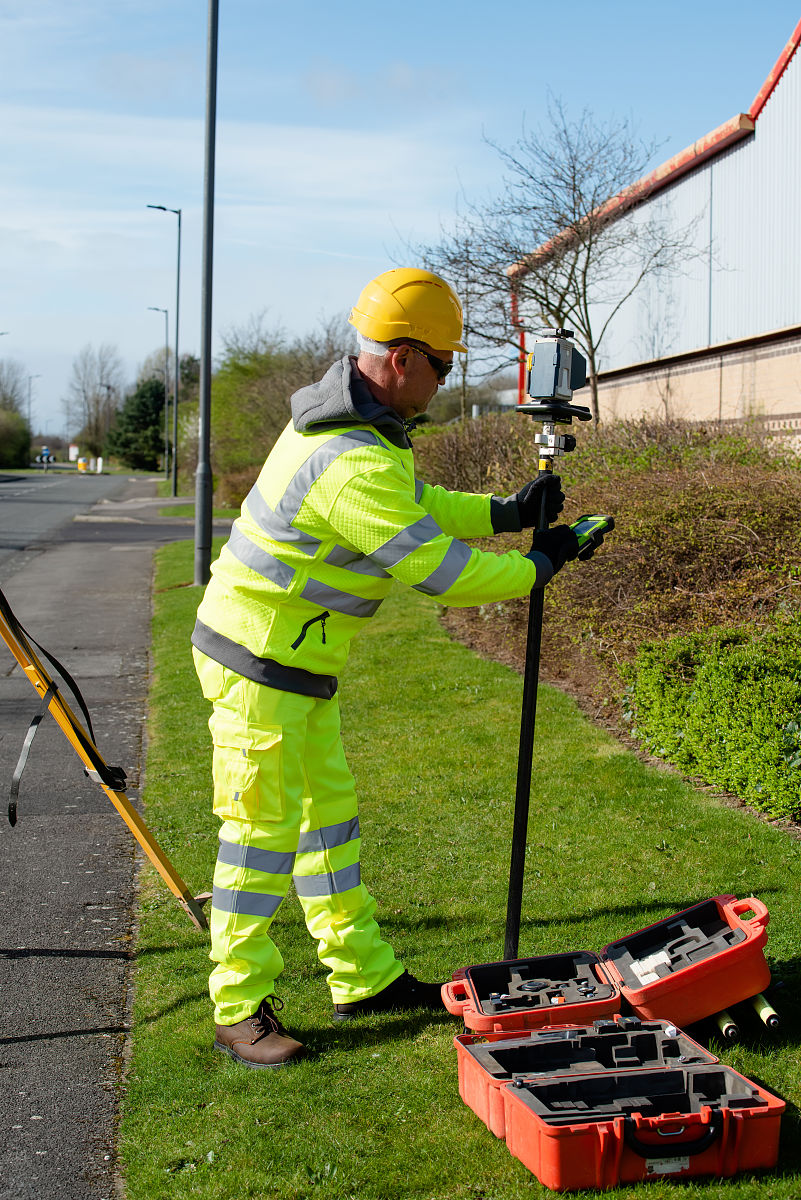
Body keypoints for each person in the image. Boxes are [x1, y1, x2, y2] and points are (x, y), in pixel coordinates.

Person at [191, 267, 581, 1069]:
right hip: (257, 665)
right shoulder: (349, 461)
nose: (445, 378)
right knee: (259, 837)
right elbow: (439, 570)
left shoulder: (359, 433)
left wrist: (507, 515)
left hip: (293, 665)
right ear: (401, 357)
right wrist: (537, 564)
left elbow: (420, 504)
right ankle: (237, 1007)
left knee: (326, 823)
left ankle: (362, 977)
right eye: (442, 363)